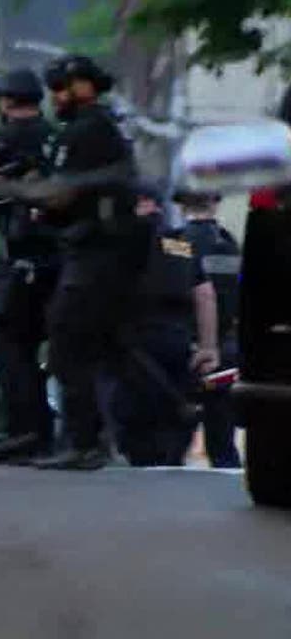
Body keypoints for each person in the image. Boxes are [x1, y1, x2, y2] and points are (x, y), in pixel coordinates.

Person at [31, 56, 143, 471]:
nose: (56, 97)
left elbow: (61, 196)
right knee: (108, 346)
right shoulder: (104, 127)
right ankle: (102, 437)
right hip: (104, 252)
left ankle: (86, 442)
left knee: (65, 341)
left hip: (95, 253)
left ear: (84, 87)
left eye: (62, 87)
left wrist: (26, 193)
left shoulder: (84, 129)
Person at [0, 69, 61, 461]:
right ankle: (47, 432)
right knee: (49, 347)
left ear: (6, 101)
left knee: (4, 341)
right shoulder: (54, 136)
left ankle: (26, 431)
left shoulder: (7, 139)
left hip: (28, 258)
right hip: (60, 257)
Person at [109, 182, 219, 465]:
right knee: (172, 417)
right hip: (178, 342)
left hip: (135, 345)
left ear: (142, 204)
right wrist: (208, 347)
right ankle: (167, 465)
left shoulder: (123, 242)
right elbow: (205, 295)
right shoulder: (181, 245)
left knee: (134, 418)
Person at [174, 189, 242, 467]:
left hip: (188, 346)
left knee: (176, 430)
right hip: (227, 345)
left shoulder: (177, 242)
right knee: (222, 434)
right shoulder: (227, 241)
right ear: (214, 203)